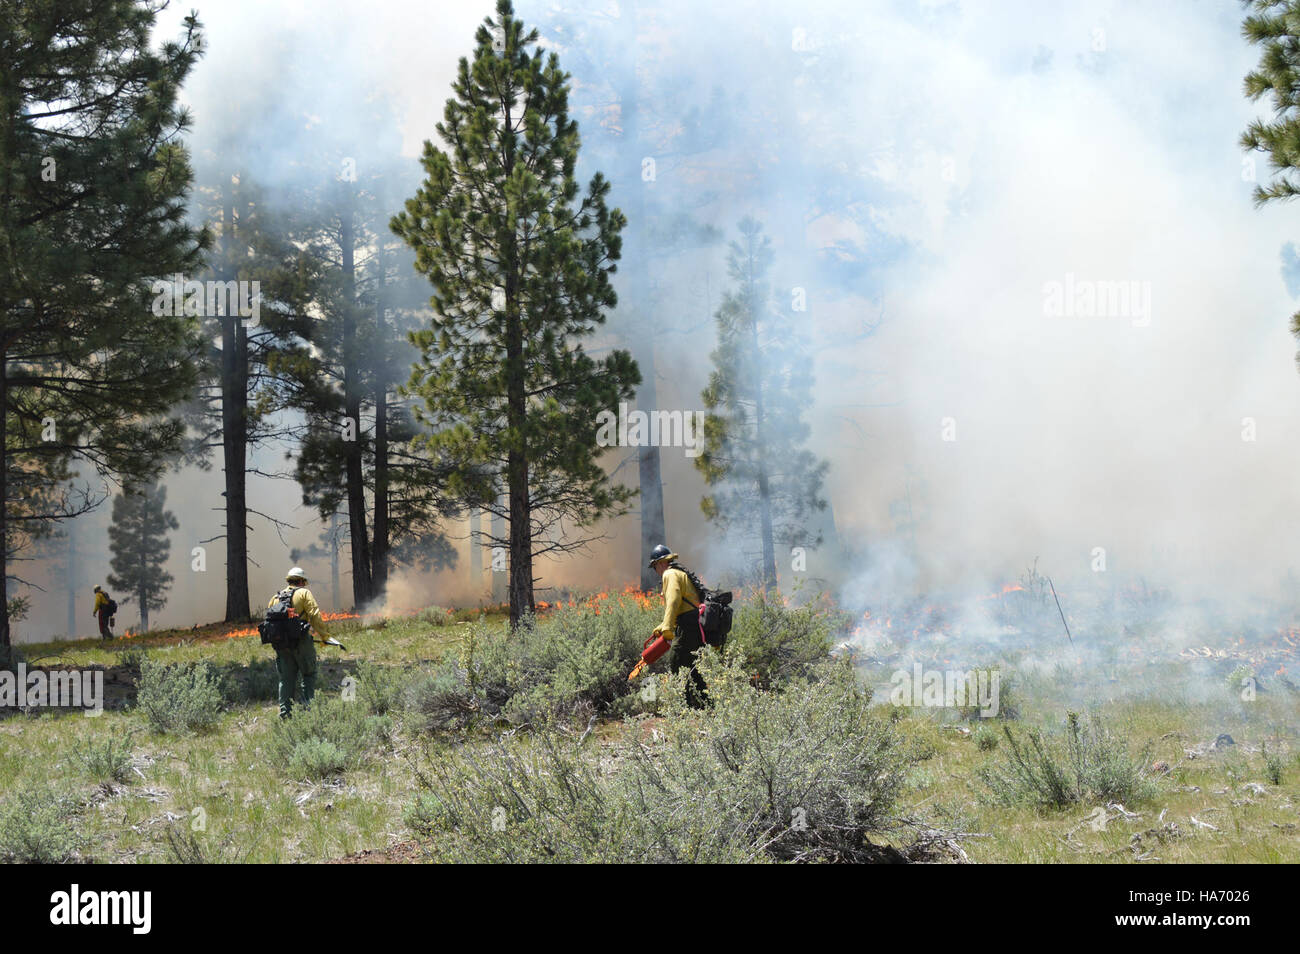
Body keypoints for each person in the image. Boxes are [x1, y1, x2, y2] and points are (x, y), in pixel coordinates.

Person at [648, 544, 718, 708]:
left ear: (660, 563)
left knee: (677, 664)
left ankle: (681, 709)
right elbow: (684, 607)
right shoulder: (680, 573)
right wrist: (663, 625)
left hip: (688, 627)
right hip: (696, 625)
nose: (656, 570)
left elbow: (673, 600)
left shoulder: (670, 574)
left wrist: (667, 627)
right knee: (694, 669)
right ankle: (706, 706)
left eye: (655, 567)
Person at [268, 567, 332, 720]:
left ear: (289, 580)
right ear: (302, 581)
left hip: (281, 644)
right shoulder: (304, 593)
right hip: (301, 641)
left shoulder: (275, 598)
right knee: (309, 674)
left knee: (285, 679)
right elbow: (314, 614)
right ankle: (308, 711)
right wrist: (325, 636)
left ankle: (285, 715)